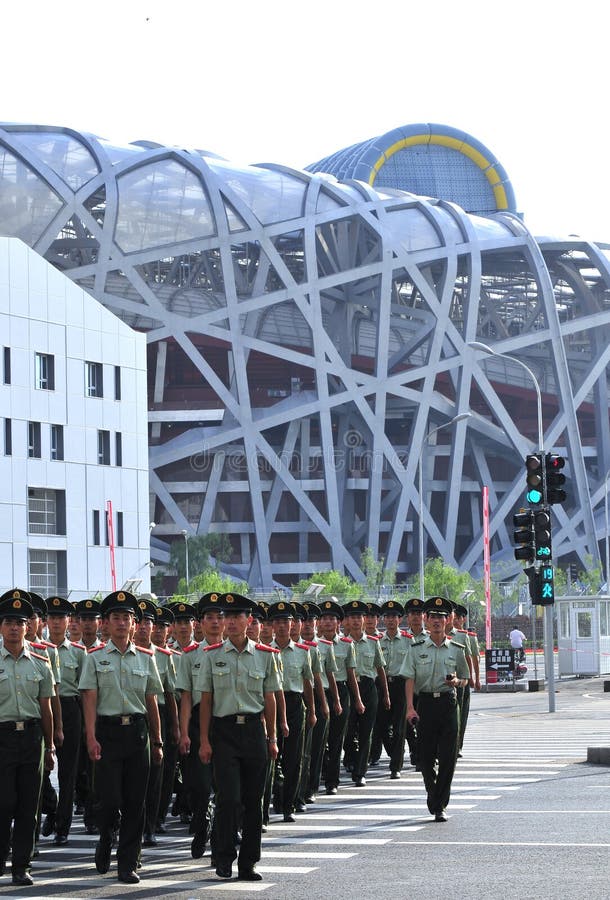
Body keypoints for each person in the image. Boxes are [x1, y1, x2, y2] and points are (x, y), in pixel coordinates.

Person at [79, 590, 164, 885]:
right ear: (106, 623)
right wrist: (90, 736)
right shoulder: (95, 658)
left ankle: (128, 863)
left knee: (135, 801)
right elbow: (89, 699)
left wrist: (158, 740)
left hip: (137, 734)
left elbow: (151, 701)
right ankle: (106, 834)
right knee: (109, 798)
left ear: (134, 624)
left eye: (126, 618)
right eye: (116, 617)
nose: (121, 622)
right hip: (108, 732)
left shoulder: (147, 658)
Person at [197, 592, 281, 881]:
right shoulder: (212, 655)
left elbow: (270, 699)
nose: (230, 622)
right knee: (228, 798)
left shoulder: (265, 656)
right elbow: (206, 701)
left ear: (249, 621)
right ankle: (223, 856)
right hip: (224, 732)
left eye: (236, 617)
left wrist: (272, 738)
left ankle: (248, 862)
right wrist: (204, 740)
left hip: (254, 732)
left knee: (253, 801)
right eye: (226, 617)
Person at [0, 589, 55, 886]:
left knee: (28, 805)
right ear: (0, 626)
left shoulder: (40, 662)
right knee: (4, 801)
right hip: (2, 739)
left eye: (19, 622)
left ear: (27, 626)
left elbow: (46, 708)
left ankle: (22, 865)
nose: (13, 627)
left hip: (33, 739)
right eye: (8, 621)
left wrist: (51, 747)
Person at [402, 596, 470, 822]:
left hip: (449, 704)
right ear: (426, 620)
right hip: (427, 704)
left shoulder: (457, 648)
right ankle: (433, 793)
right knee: (425, 757)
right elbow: (409, 678)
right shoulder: (416, 648)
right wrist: (410, 708)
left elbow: (465, 679)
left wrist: (456, 681)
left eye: (441, 617)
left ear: (449, 620)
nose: (437, 621)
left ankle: (440, 804)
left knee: (449, 757)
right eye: (432, 617)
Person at [44, 595, 86, 845]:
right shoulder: (39, 649)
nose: (57, 622)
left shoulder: (79, 653)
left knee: (68, 773)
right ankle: (51, 805)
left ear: (68, 621)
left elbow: (86, 689)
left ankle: (63, 827)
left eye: (61, 617)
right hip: (44, 708)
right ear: (46, 621)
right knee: (39, 772)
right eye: (52, 617)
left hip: (71, 710)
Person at [268, 601, 316, 822]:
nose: (281, 626)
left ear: (292, 624)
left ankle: (289, 805)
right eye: (277, 622)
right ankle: (274, 798)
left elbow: (307, 683)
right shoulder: (264, 651)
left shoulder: (302, 652)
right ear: (272, 625)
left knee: (294, 758)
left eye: (285, 622)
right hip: (270, 706)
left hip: (295, 704)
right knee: (271, 757)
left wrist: (313, 711)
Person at [317, 599, 364, 795]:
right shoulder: (314, 645)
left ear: (338, 623)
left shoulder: (346, 644)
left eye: (332, 619)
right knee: (320, 738)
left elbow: (351, 674)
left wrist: (358, 699)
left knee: (337, 738)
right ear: (319, 622)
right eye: (324, 618)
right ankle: (319, 774)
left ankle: (332, 781)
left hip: (341, 691)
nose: (328, 622)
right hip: (320, 692)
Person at [342, 599, 389, 787]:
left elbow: (380, 669)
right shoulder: (341, 643)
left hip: (369, 688)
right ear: (346, 620)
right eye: (352, 617)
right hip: (347, 689)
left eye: (359, 617)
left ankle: (361, 771)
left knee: (366, 732)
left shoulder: (372, 642)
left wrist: (385, 695)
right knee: (348, 729)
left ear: (363, 619)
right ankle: (351, 759)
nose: (355, 621)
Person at [377, 600, 410, 778]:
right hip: (382, 685)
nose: (390, 620)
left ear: (399, 619)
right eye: (387, 617)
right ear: (383, 620)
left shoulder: (407, 640)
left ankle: (395, 766)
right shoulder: (377, 640)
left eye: (394, 617)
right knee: (382, 726)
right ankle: (394, 753)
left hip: (401, 686)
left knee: (399, 727)